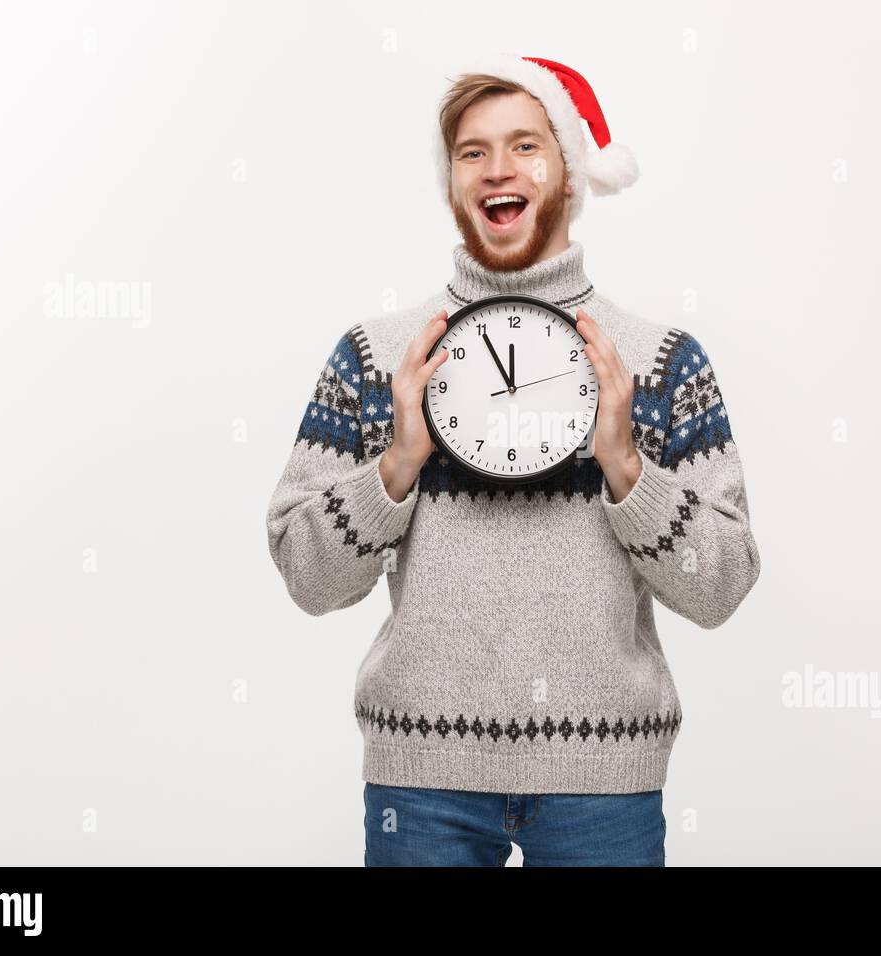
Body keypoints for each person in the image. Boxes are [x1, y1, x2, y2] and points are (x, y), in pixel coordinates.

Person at [265, 55, 760, 866]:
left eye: (527, 146)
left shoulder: (662, 360)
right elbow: (307, 578)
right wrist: (396, 463)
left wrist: (627, 471)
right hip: (419, 783)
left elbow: (724, 584)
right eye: (473, 152)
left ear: (570, 169)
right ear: (452, 180)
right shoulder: (377, 355)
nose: (499, 169)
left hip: (605, 783)